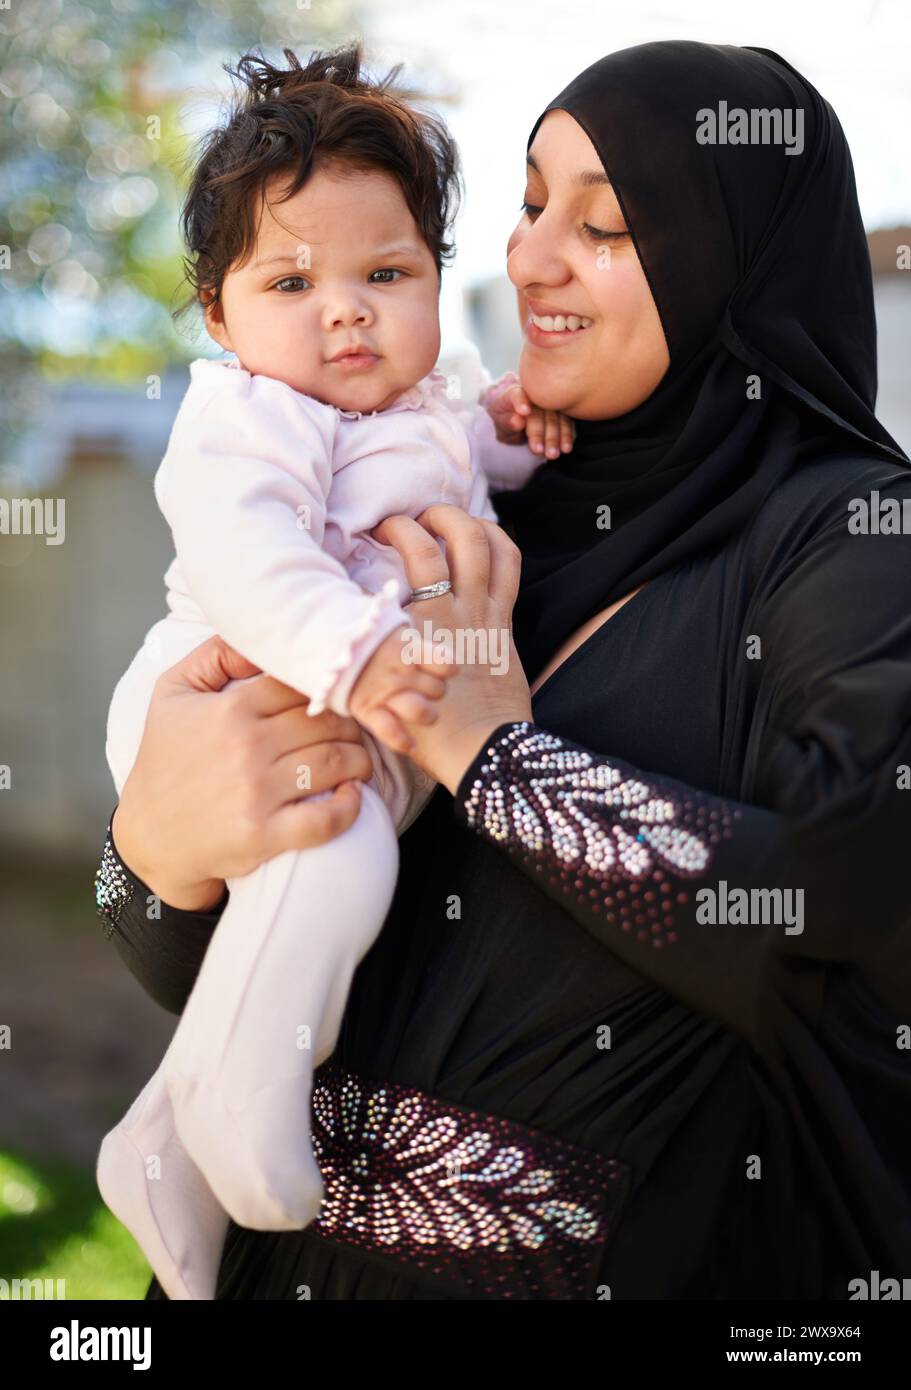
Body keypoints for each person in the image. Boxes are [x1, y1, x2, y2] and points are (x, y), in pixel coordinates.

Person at [96, 40, 911, 1300]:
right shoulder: (467, 507)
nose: (527, 258)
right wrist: (152, 853)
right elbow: (185, 949)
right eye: (530, 206)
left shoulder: (847, 538)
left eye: (605, 225)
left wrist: (491, 754)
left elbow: (844, 916)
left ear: (726, 256)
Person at [94, 43, 570, 1301]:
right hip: (235, 690)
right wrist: (352, 653)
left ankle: (160, 1138)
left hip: (360, 714)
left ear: (431, 281)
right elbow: (249, 557)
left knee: (314, 905)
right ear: (219, 315)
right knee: (338, 859)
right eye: (291, 278)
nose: (345, 308)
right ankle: (242, 1115)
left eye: (384, 273)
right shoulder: (246, 417)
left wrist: (520, 430)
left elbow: (465, 462)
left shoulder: (431, 402)